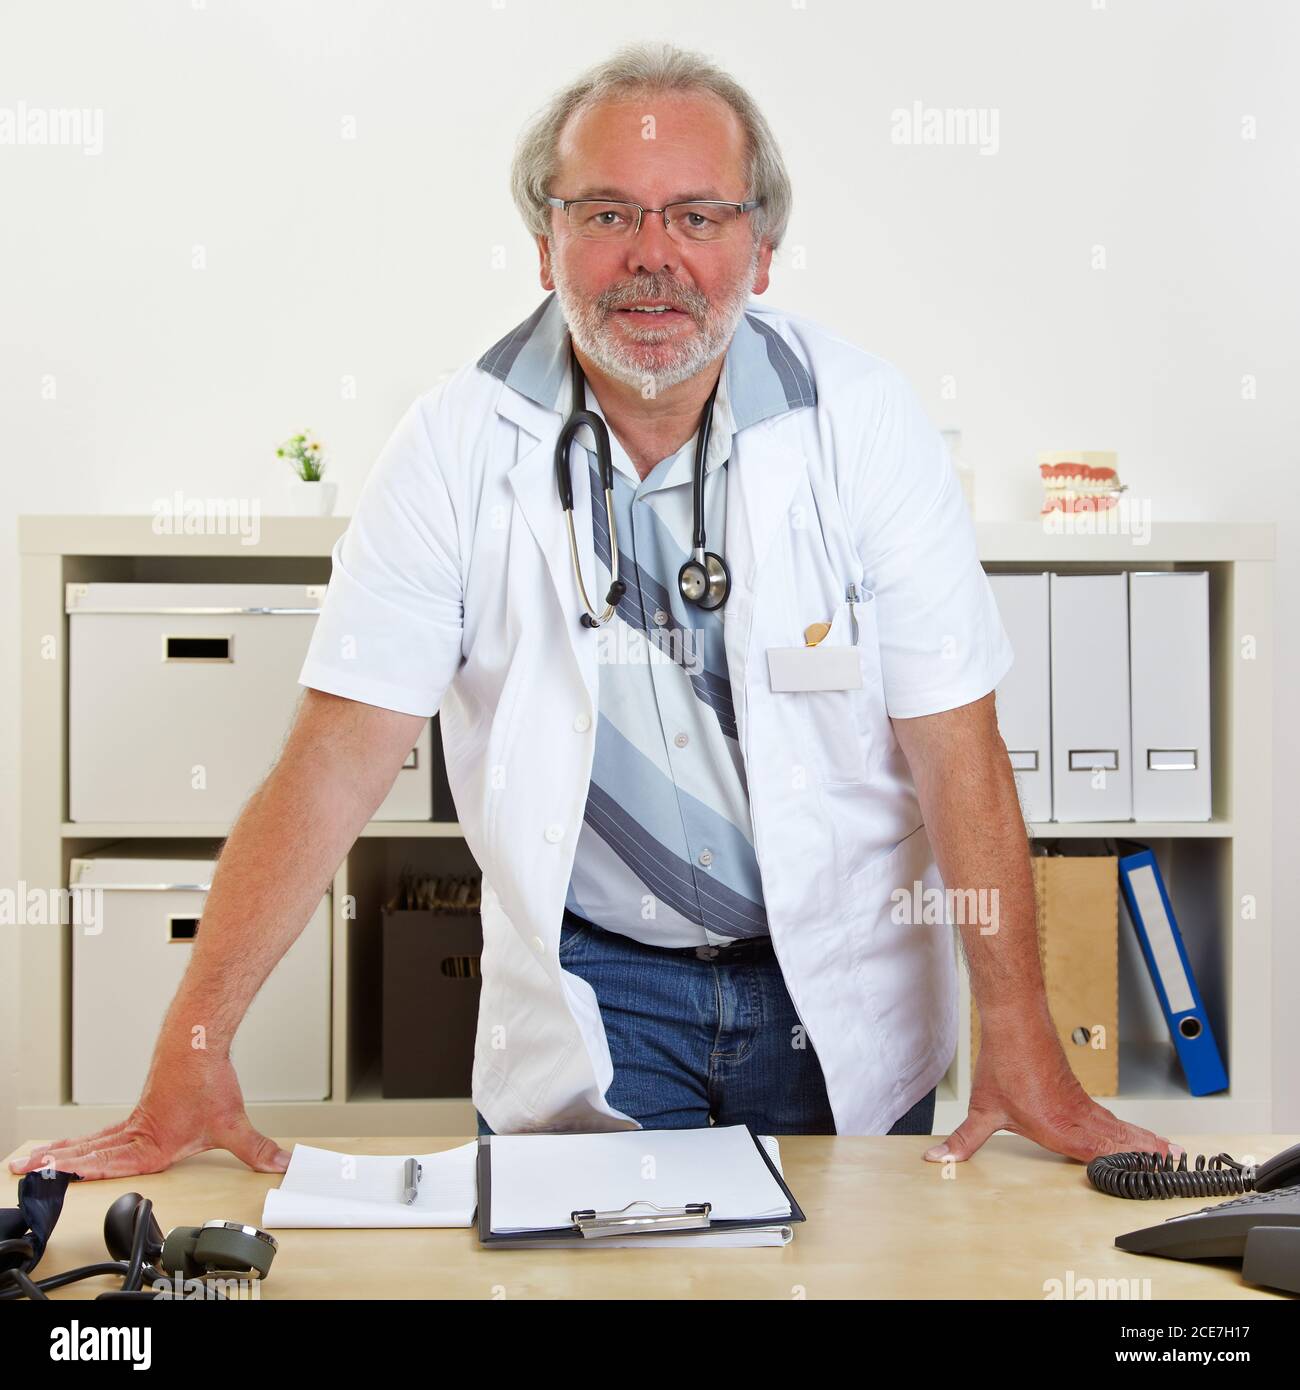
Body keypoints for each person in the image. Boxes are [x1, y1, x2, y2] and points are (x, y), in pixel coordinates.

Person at [11, 41, 1174, 1181]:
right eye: (607, 214)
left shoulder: (861, 423)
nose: (651, 258)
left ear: (760, 250)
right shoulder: (454, 446)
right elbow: (330, 766)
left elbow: (954, 743)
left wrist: (1018, 1033)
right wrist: (193, 1048)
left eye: (698, 217)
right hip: (597, 982)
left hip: (839, 978)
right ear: (546, 243)